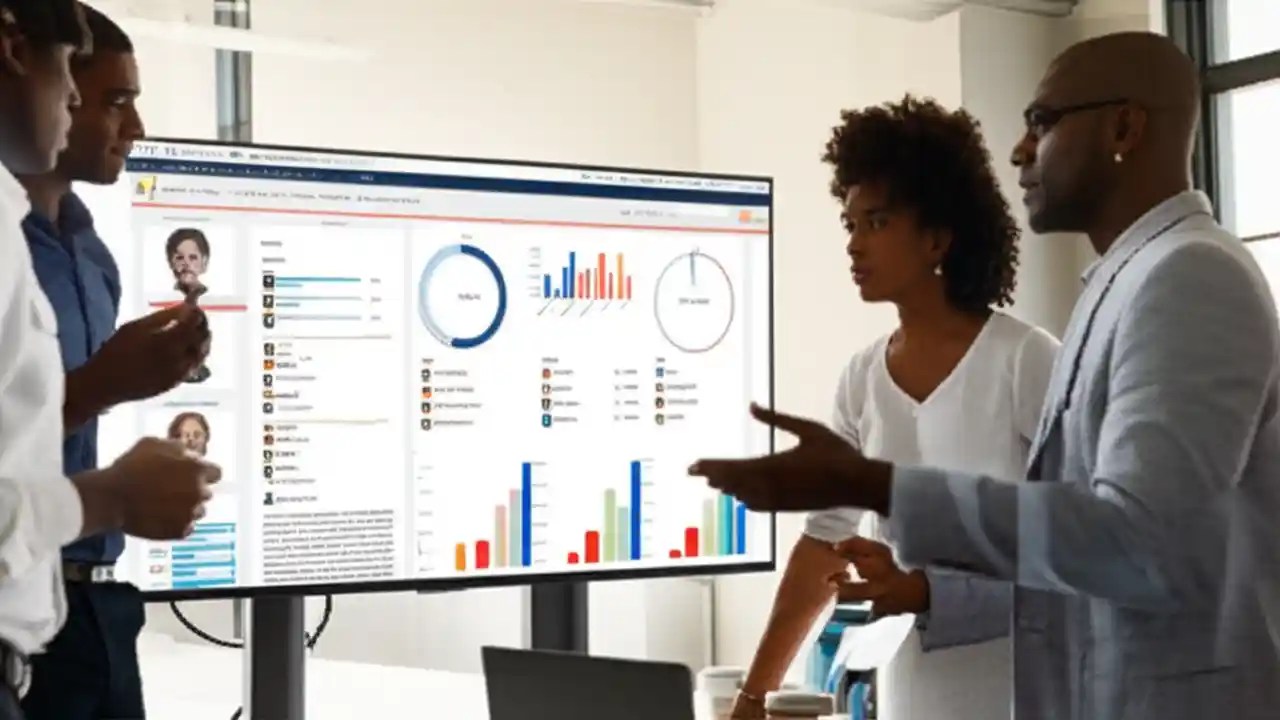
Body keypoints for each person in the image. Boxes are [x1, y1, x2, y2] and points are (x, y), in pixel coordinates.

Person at [692, 32, 1280, 720]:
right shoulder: (1120, 285)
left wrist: (881, 495)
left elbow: (1136, 543)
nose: (1020, 151)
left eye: (1043, 123)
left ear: (1124, 125)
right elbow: (1083, 549)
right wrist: (755, 693)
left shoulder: (1188, 276)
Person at [728, 96, 1059, 720]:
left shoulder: (1026, 362)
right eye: (850, 225)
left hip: (1023, 692)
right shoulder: (862, 378)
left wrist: (924, 591)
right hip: (915, 693)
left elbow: (1071, 554)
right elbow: (824, 546)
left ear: (937, 237)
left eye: (876, 223)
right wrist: (752, 699)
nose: (854, 245)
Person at [0, 3, 219, 719]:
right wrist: (102, 387)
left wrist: (136, 379)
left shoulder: (92, 256)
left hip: (92, 596)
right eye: (113, 100)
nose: (136, 128)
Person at [166, 227, 210, 301]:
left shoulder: (211, 298)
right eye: (180, 258)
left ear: (204, 262)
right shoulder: (167, 298)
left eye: (193, 257)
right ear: (170, 262)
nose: (186, 263)